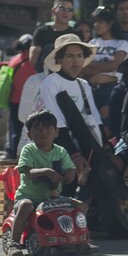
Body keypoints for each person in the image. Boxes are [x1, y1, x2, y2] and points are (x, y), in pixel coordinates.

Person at [5, 111, 76, 256]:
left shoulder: (60, 151)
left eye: (47, 128)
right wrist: (46, 172)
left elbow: (70, 168)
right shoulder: (29, 150)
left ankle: (80, 239)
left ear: (56, 131)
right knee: (25, 205)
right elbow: (27, 171)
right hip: (30, 196)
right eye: (37, 129)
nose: (43, 132)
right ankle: (14, 243)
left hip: (52, 198)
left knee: (78, 206)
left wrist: (70, 174)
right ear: (29, 134)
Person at [39, 34, 104, 169]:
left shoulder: (83, 84)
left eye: (79, 56)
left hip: (86, 147)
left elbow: (96, 120)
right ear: (59, 60)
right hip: (59, 150)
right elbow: (57, 123)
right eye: (69, 56)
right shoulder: (51, 82)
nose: (75, 61)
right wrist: (74, 154)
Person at [84, 6, 128, 121]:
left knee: (106, 122)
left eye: (100, 22)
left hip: (110, 88)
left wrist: (93, 64)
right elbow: (84, 67)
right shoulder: (92, 42)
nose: (96, 25)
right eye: (94, 22)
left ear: (109, 24)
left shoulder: (122, 43)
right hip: (90, 88)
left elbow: (115, 65)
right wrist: (106, 66)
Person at [6, 34, 36, 154]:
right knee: (28, 130)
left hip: (13, 100)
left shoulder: (14, 60)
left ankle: (14, 152)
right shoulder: (32, 62)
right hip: (28, 102)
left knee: (15, 129)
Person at [30, 0, 76, 72]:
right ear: (53, 10)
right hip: (44, 76)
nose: (66, 12)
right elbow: (33, 57)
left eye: (69, 9)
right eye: (62, 8)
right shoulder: (41, 31)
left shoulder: (75, 34)